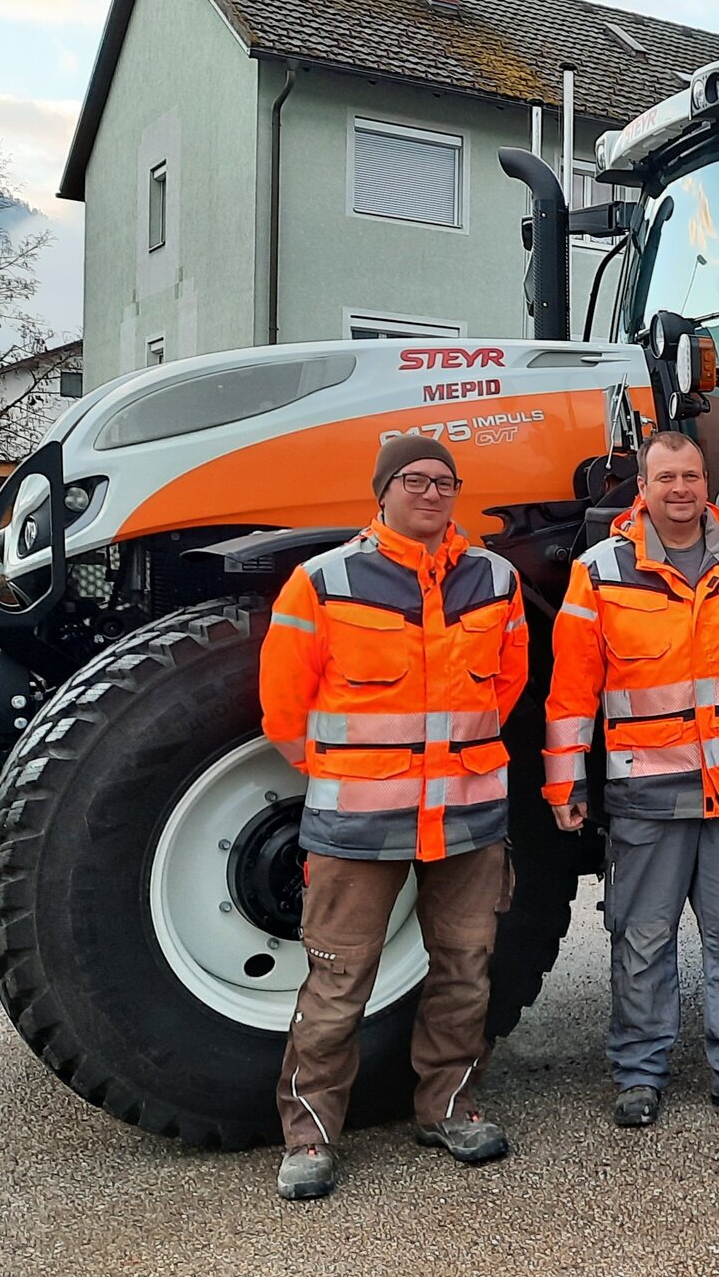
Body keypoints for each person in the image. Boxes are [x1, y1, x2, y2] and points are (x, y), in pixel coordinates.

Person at [260, 435, 526, 1201]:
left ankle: (448, 1107)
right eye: (415, 478)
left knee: (466, 972)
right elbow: (285, 712)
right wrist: (360, 775)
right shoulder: (323, 582)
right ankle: (308, 1137)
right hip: (358, 824)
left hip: (469, 818)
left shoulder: (496, 580)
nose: (432, 492)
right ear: (383, 491)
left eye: (445, 480)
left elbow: (505, 687)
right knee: (339, 981)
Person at [543, 432, 719, 1129]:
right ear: (644, 488)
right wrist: (564, 783)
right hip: (648, 794)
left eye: (691, 475)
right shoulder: (600, 572)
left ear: (706, 482)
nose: (680, 489)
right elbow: (572, 694)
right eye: (666, 477)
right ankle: (639, 1074)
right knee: (642, 937)